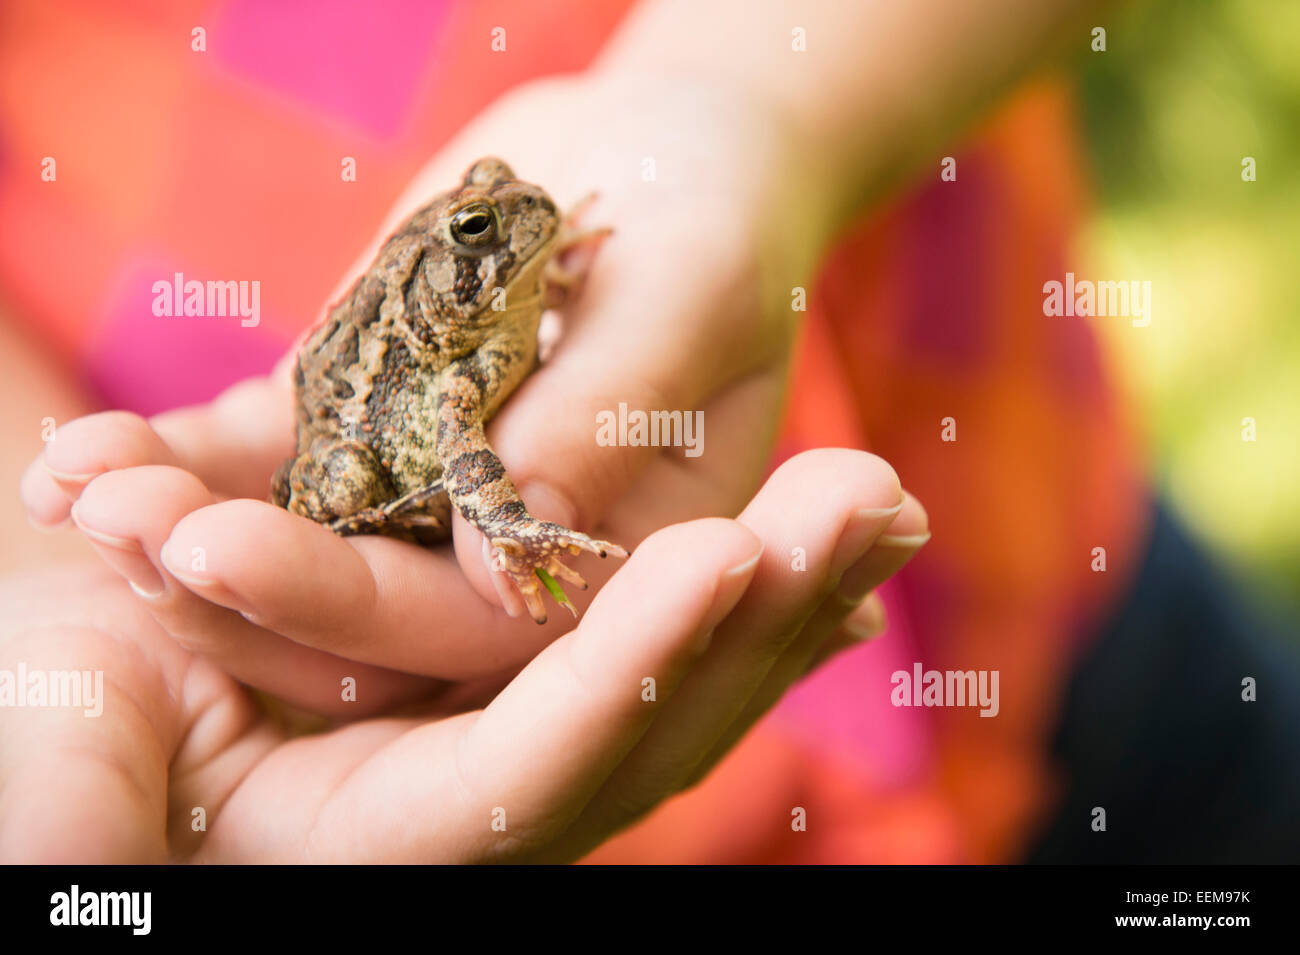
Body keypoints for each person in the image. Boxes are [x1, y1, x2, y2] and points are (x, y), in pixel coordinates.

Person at [5, 0, 1295, 863]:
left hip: (1041, 570)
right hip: (411, 536)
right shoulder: (441, 351)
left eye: (505, 217)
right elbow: (452, 428)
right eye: (482, 236)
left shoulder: (514, 273)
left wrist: (741, 111)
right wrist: (502, 517)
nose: (518, 229)